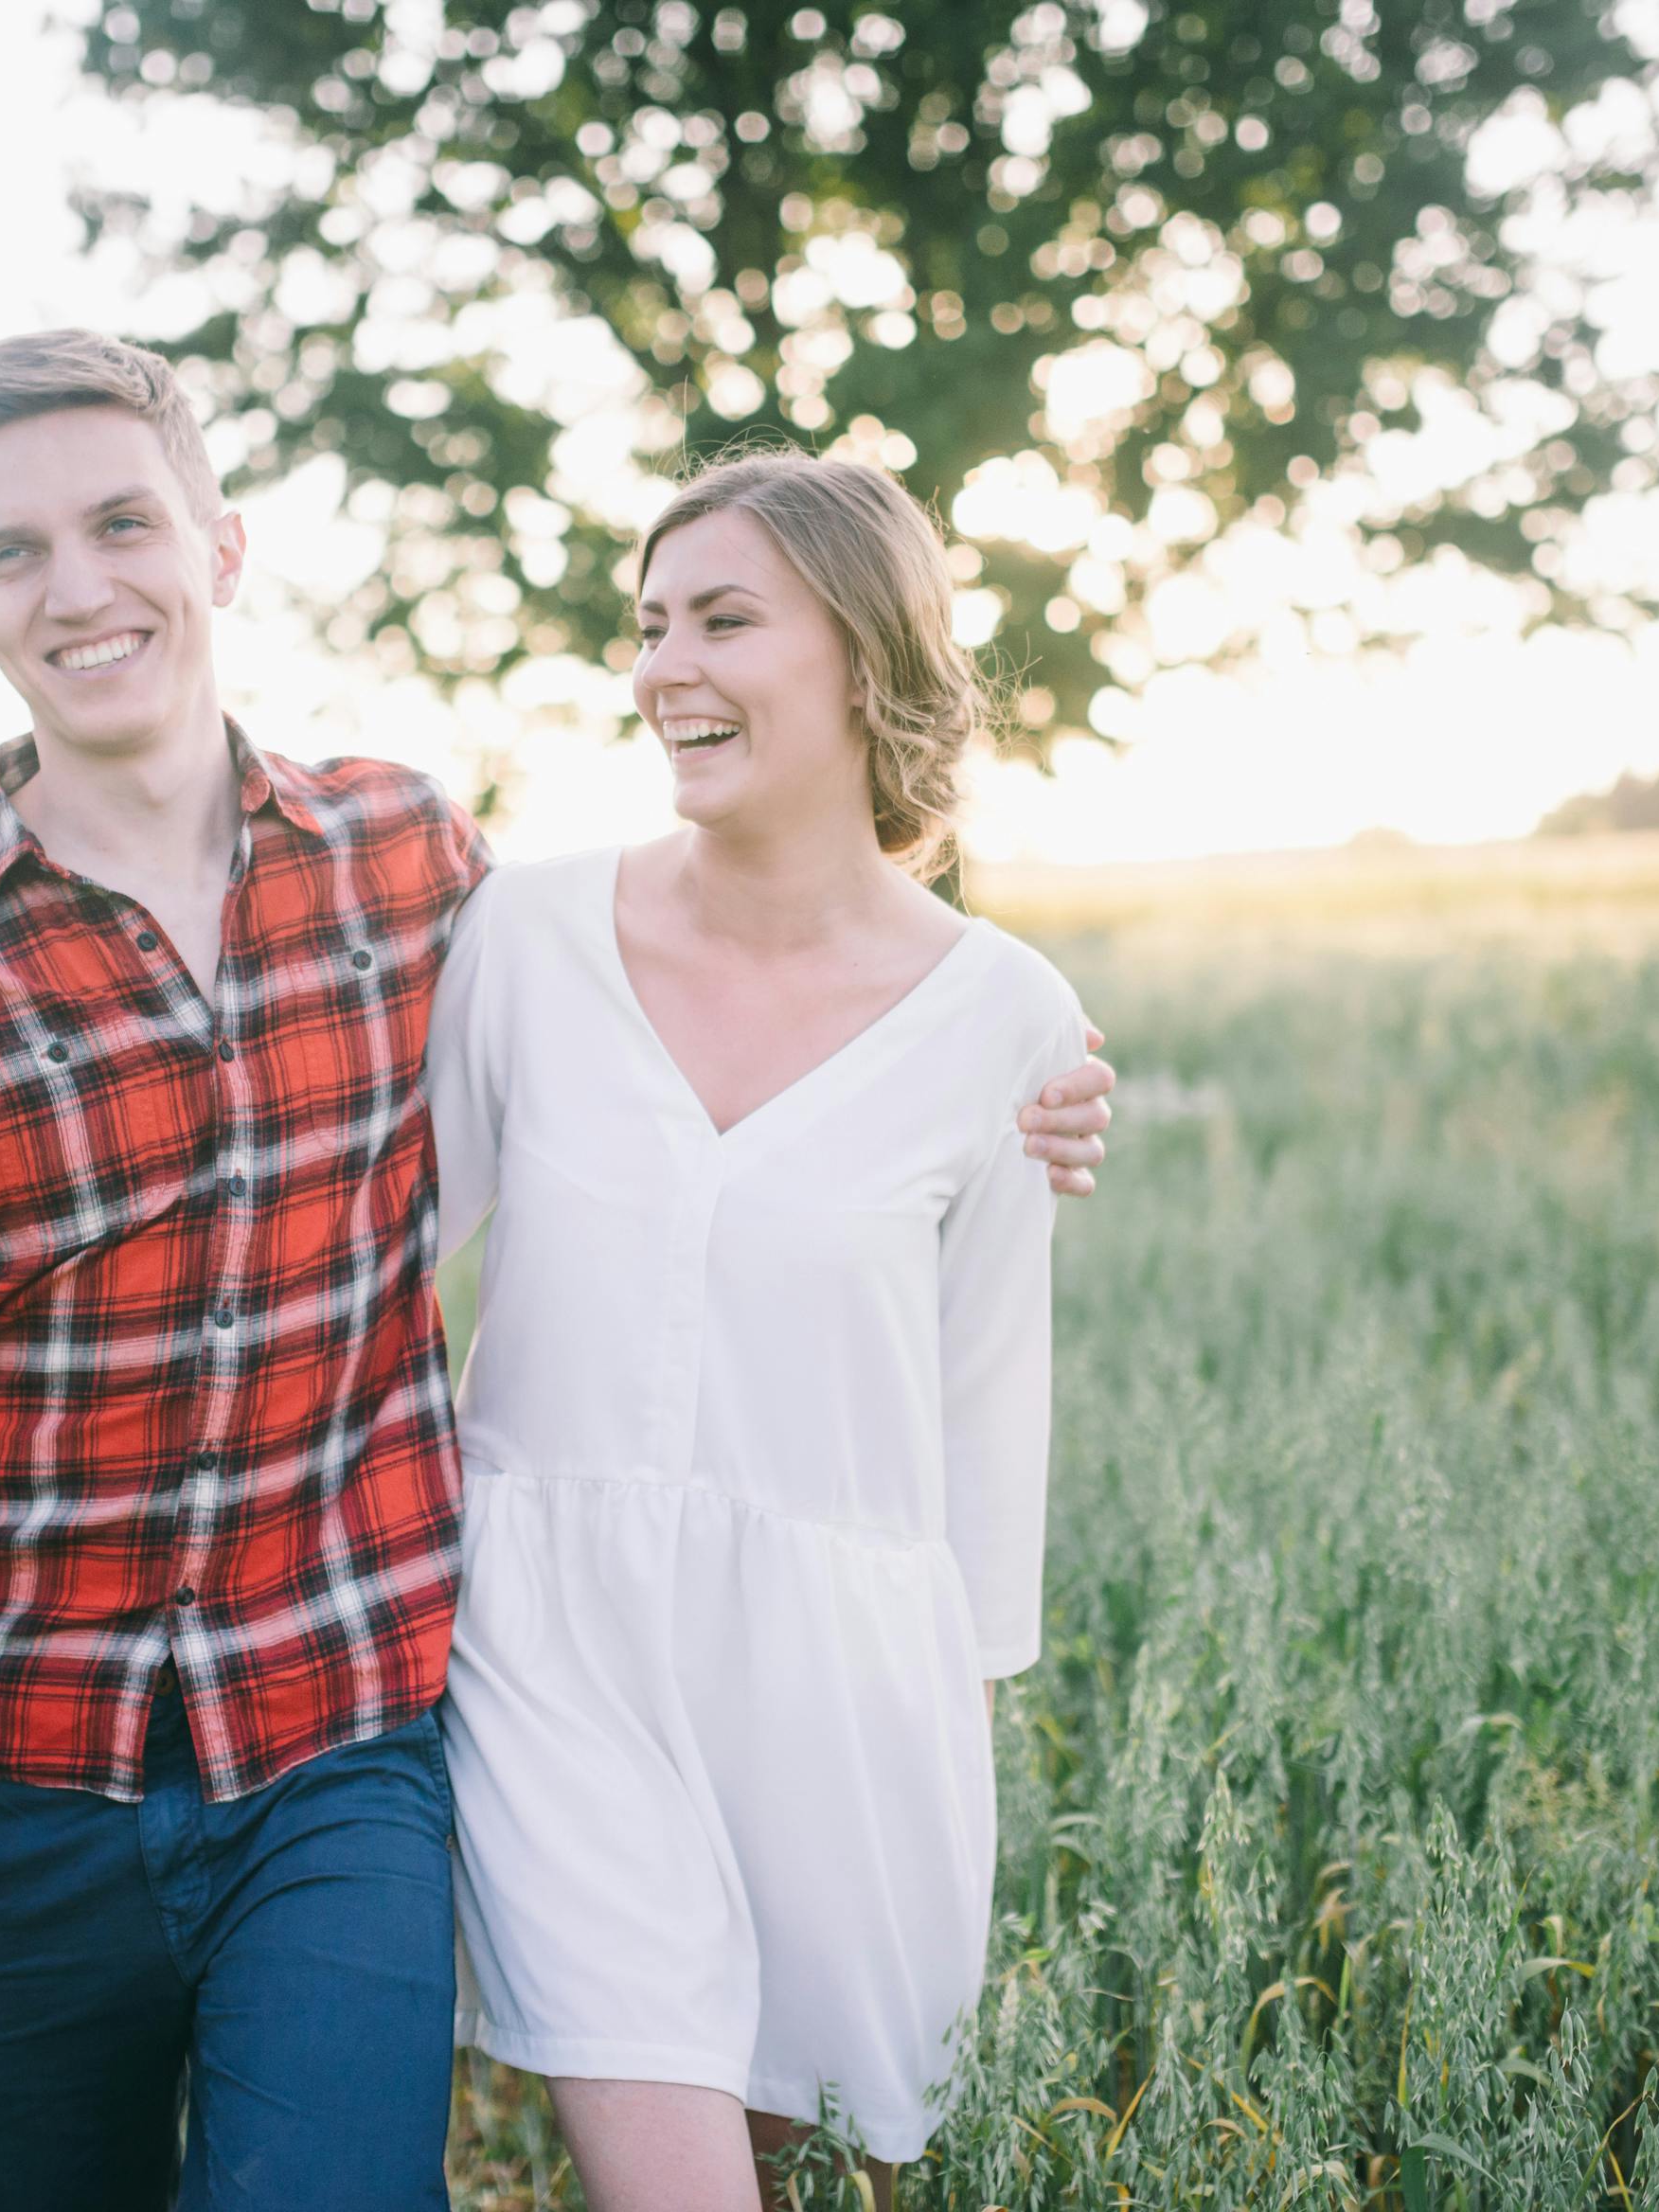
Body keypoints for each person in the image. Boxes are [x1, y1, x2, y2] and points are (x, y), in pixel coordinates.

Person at [0, 329, 1115, 2212]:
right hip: (3, 1752)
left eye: (124, 520)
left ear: (221, 546)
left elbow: (728, 1028)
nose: (80, 585)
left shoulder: (406, 863)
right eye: (14, 552)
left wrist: (1019, 1087)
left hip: (337, 1735)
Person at [421, 452, 1075, 2208]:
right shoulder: (530, 937)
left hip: (835, 1672)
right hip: (550, 1642)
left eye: (724, 620)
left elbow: (984, 1392)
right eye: (649, 628)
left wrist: (955, 1707)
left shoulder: (1009, 1018)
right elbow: (378, 1249)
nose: (663, 670)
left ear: (864, 656)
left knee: (752, 2162)